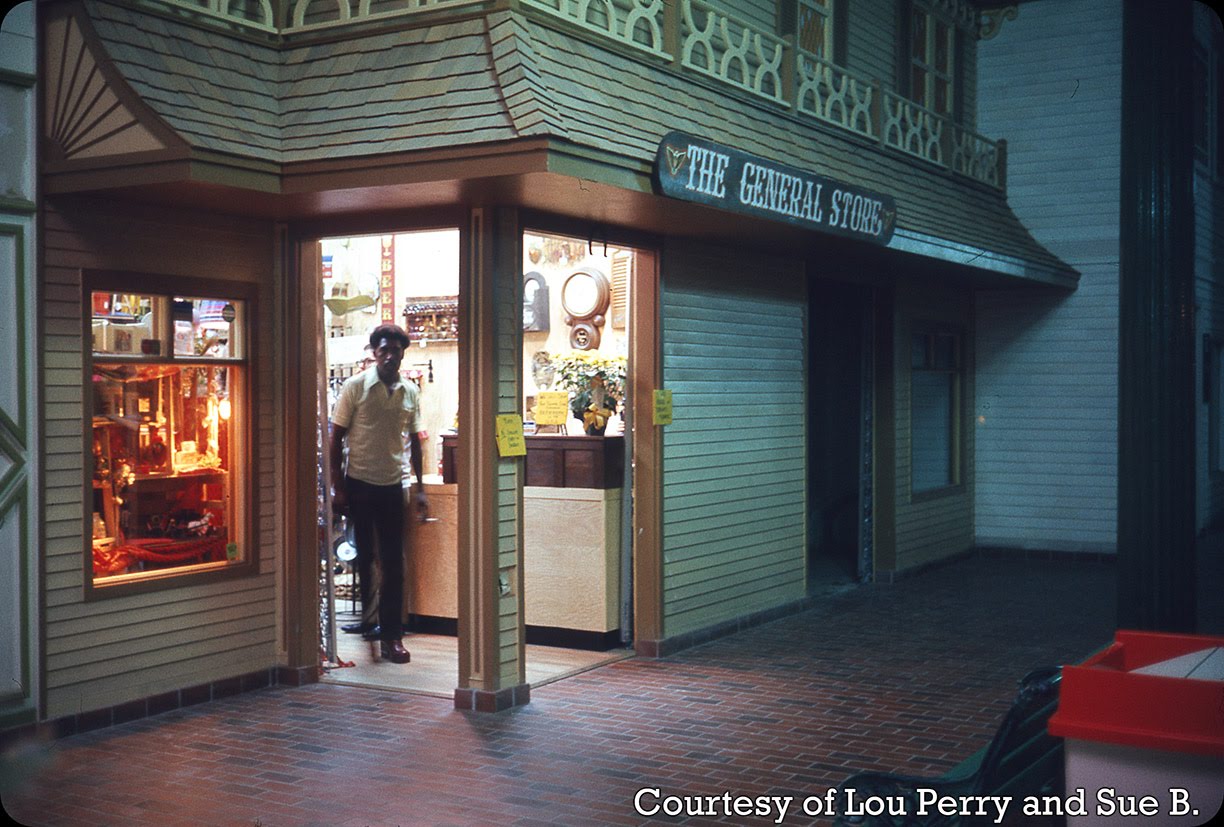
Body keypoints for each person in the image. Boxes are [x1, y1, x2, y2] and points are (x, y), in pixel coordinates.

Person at [329, 324, 428, 664]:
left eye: (395, 351)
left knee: (393, 563)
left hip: (391, 486)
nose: (389, 356)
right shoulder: (355, 387)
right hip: (358, 483)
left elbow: (415, 442)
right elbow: (335, 437)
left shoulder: (410, 392)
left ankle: (392, 637)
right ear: (374, 352)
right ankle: (370, 621)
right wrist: (337, 486)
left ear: (403, 354)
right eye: (383, 350)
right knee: (365, 558)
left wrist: (421, 490)